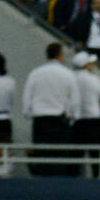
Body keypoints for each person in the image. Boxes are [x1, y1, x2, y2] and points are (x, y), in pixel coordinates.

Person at [22, 43, 79, 176]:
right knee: (59, 157)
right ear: (61, 56)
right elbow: (75, 101)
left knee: (41, 156)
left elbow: (27, 98)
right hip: (59, 120)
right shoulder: (68, 74)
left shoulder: (35, 74)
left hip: (40, 121)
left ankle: (42, 186)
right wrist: (72, 118)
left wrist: (29, 117)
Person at [70, 52, 100, 177]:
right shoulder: (94, 79)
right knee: (96, 157)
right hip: (93, 121)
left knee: (75, 158)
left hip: (76, 122)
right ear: (87, 65)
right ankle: (98, 182)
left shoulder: (70, 78)